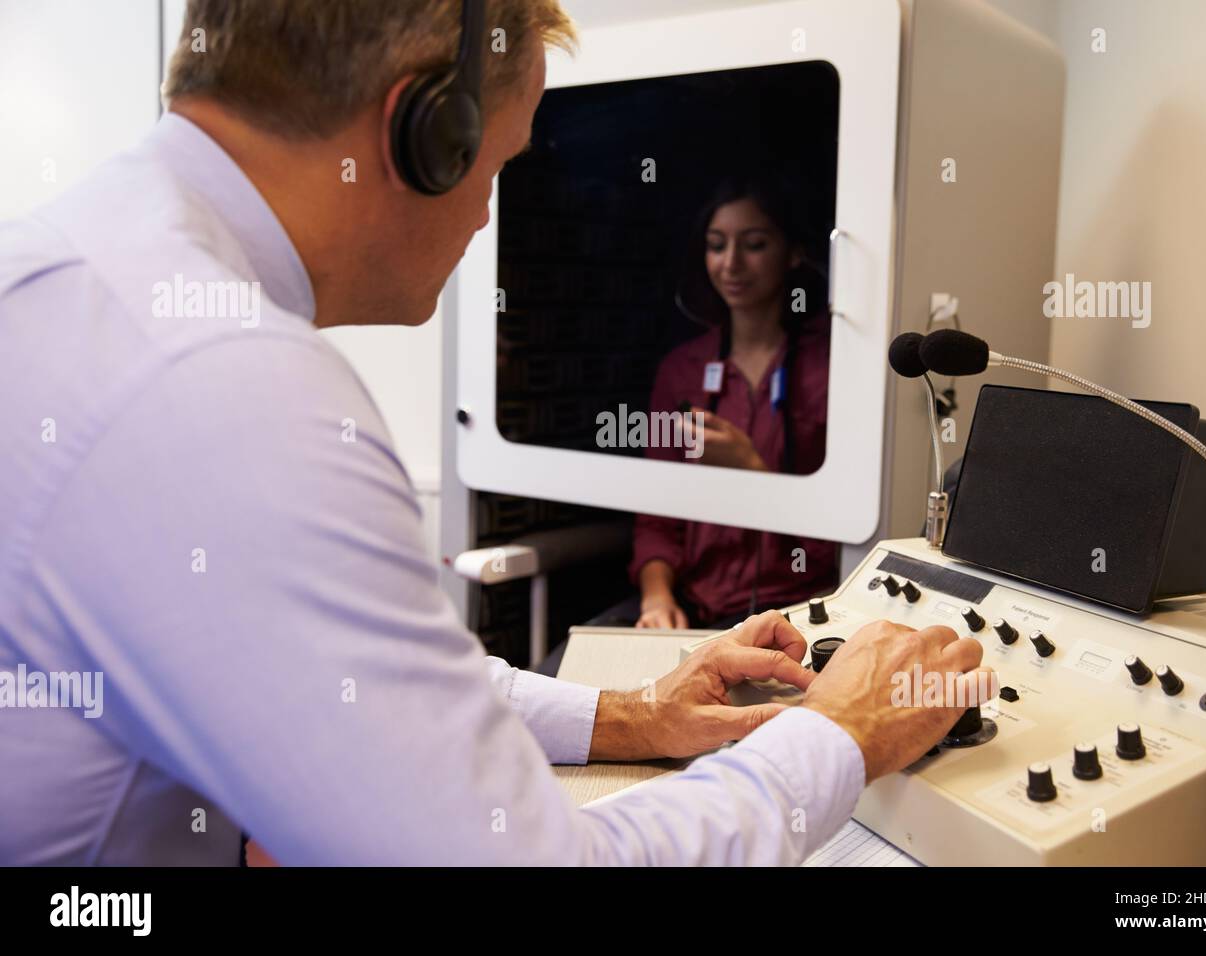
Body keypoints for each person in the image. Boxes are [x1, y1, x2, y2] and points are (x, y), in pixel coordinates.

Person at [0, 0, 993, 865]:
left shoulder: (76, 273)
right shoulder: (227, 388)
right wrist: (835, 734)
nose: (486, 215)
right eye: (501, 165)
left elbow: (367, 680)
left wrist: (632, 714)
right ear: (422, 132)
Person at [631, 177, 839, 629]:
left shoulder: (833, 370)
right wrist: (657, 598)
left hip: (800, 613)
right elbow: (657, 516)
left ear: (794, 252)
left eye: (755, 244)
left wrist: (750, 466)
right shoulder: (681, 370)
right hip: (695, 610)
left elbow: (838, 539)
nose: (731, 264)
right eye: (716, 245)